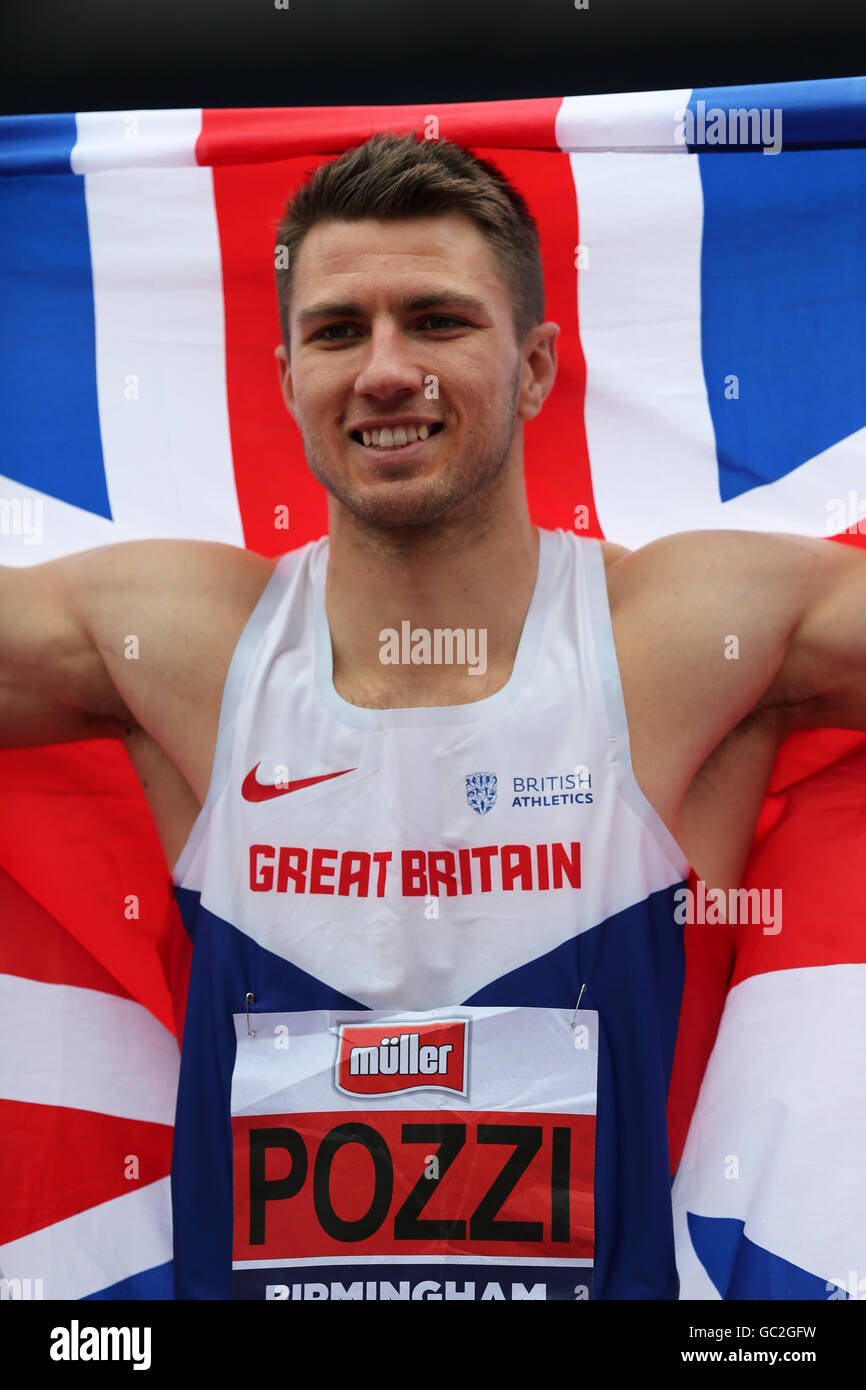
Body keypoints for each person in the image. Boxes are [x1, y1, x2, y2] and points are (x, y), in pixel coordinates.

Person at [3, 131, 865, 1301]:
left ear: (536, 368)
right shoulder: (186, 642)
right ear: (287, 375)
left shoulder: (675, 637)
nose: (384, 370)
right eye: (337, 330)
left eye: (438, 321)